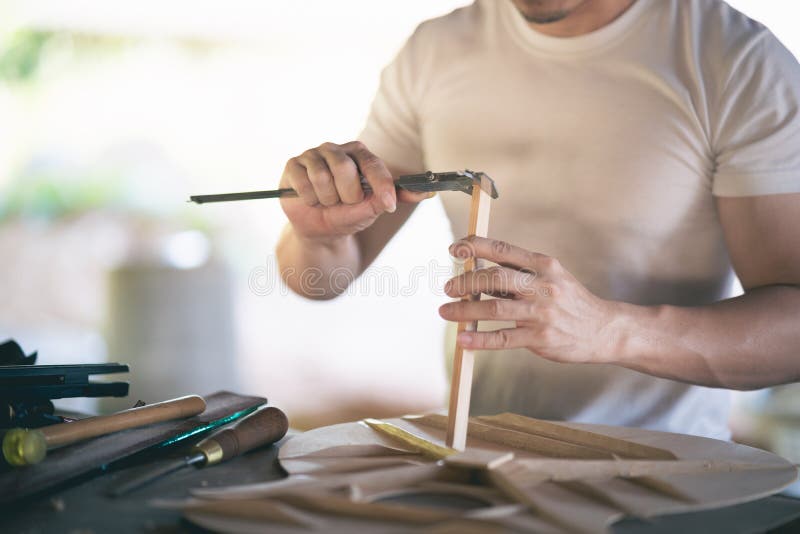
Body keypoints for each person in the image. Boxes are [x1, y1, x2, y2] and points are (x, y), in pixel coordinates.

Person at [275, 0, 800, 439]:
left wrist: (609, 330)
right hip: (479, 460)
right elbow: (320, 282)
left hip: (670, 475)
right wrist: (317, 237)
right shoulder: (434, 51)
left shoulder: (735, 59)